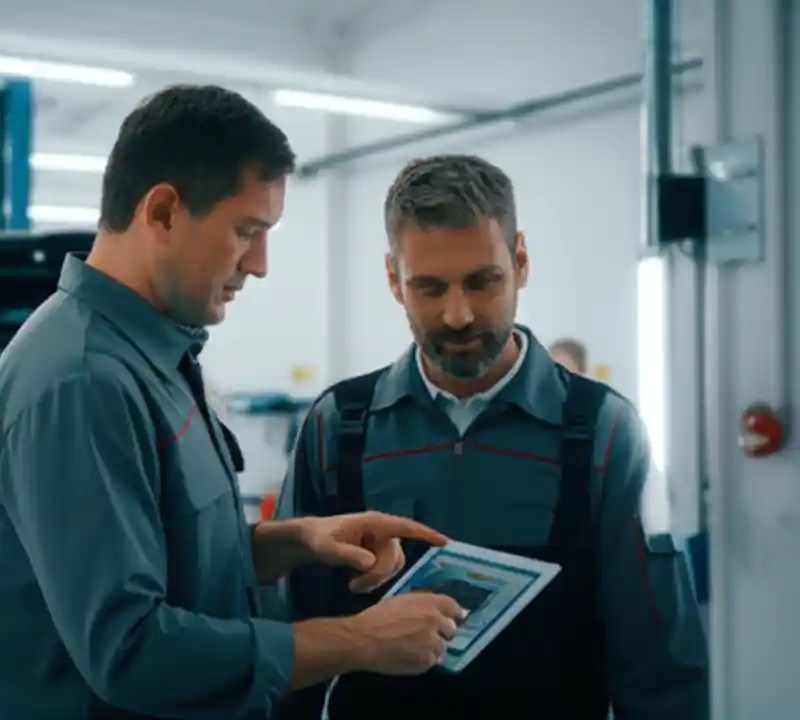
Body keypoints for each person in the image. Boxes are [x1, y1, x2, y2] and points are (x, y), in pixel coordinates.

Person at [0, 85, 469, 720]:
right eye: (246, 231)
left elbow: (164, 557)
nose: (258, 264)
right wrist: (359, 640)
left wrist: (297, 541)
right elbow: (130, 649)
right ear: (165, 211)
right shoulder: (80, 382)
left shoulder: (151, 358)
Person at [273, 154, 709, 719]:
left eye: (483, 282)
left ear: (521, 261)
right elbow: (288, 637)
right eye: (429, 288)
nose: (458, 315)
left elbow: (659, 664)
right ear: (392, 279)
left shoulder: (603, 433)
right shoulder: (338, 426)